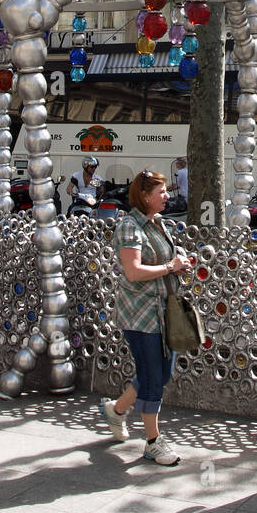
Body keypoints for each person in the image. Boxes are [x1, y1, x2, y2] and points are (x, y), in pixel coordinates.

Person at [99, 169, 190, 466]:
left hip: (165, 312)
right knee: (152, 377)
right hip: (141, 315)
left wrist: (180, 264)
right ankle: (152, 441)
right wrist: (169, 267)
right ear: (144, 196)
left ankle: (117, 409)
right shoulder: (129, 226)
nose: (167, 196)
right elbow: (134, 272)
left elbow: (165, 261)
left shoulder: (158, 223)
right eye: (161, 192)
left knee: (161, 374)